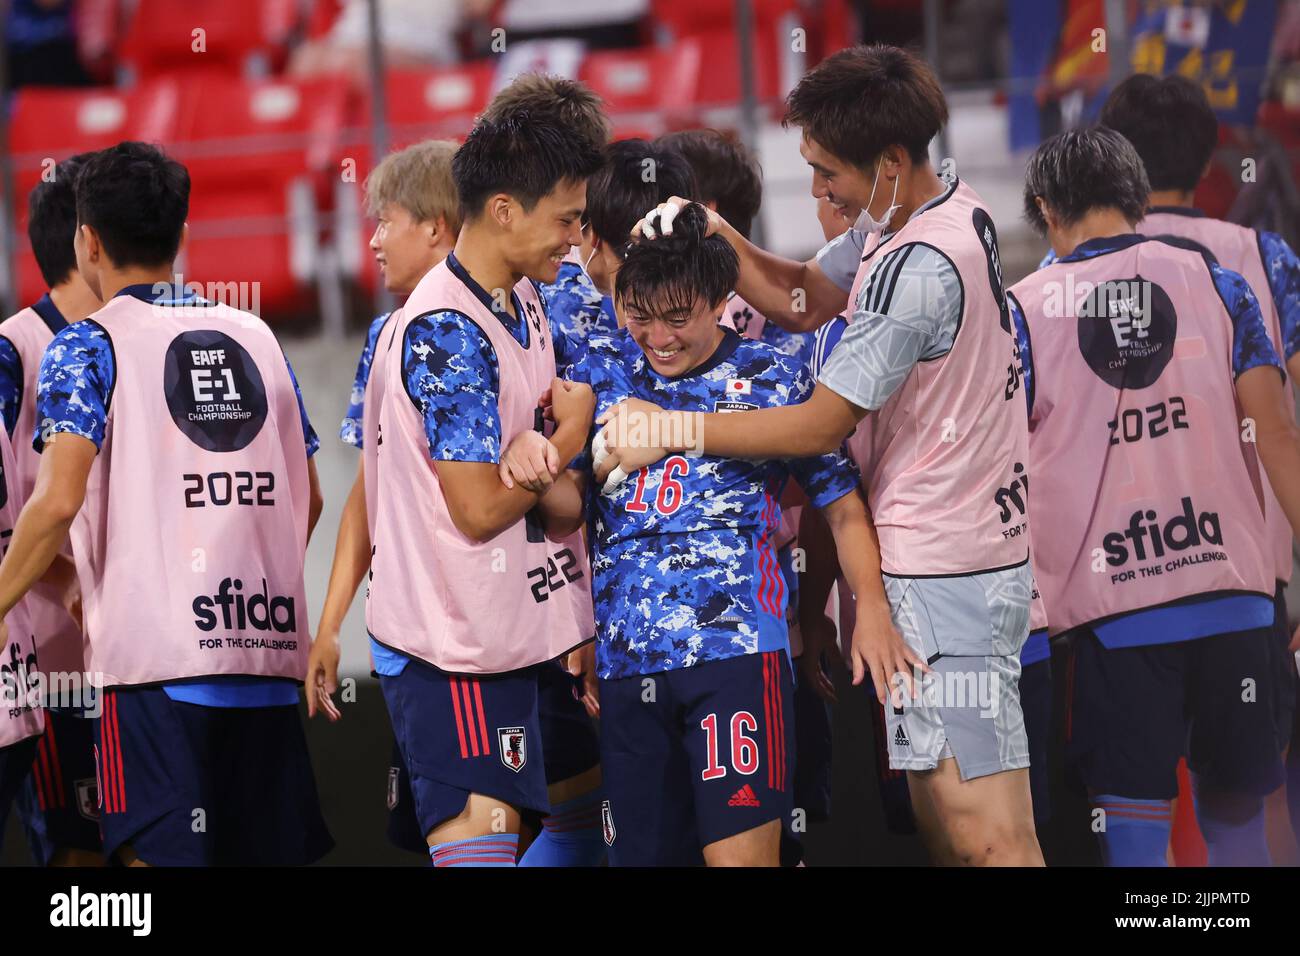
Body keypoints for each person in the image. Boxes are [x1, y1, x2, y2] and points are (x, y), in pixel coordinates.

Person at [597, 45, 1044, 866]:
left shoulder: (918, 269)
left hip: (951, 568)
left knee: (991, 836)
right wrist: (714, 228)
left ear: (892, 162)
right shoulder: (921, 218)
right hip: (936, 561)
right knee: (947, 826)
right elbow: (803, 297)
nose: (818, 192)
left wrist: (670, 428)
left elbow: (816, 427)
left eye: (827, 171)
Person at [0, 141, 332, 866]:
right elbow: (308, 501)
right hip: (265, 660)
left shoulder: (86, 345)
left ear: (86, 242)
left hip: (151, 677)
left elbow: (55, 502)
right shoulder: (257, 335)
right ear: (183, 236)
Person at [532, 204, 869, 865]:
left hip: (737, 658)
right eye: (640, 314)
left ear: (722, 299)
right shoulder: (599, 369)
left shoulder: (776, 376)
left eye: (678, 318)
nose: (657, 336)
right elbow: (567, 508)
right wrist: (536, 464)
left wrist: (873, 609)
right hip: (629, 670)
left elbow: (843, 503)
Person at [1008, 126, 1300, 867]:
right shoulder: (1220, 283)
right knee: (1239, 824)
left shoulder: (1022, 311)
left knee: (1135, 837)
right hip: (1235, 598)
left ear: (1045, 208)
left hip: (1112, 620)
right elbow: (1278, 436)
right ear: (1136, 195)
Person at [362, 113, 601, 867]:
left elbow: (562, 506)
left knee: (585, 829)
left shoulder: (522, 299)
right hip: (454, 648)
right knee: (485, 848)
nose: (575, 235)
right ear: (504, 210)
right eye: (565, 218)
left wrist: (549, 468)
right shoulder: (447, 330)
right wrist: (570, 435)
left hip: (520, 631)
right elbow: (478, 510)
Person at [1101, 73, 1300, 863]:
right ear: (1212, 154)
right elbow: (1285, 424)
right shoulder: (1266, 257)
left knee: (1133, 804)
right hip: (1247, 576)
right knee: (1244, 798)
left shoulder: (1073, 273)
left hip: (1120, 578)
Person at [308, 138, 461, 857]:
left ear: (435, 226)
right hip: (407, 644)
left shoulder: (514, 320)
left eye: (386, 219)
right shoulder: (383, 336)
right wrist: (332, 622)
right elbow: (367, 493)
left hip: (480, 640)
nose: (371, 240)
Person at [0, 153, 103, 866]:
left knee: (111, 848)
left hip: (124, 657)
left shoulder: (140, 342)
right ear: (86, 242)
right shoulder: (15, 349)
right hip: (40, 661)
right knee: (70, 852)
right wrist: (59, 578)